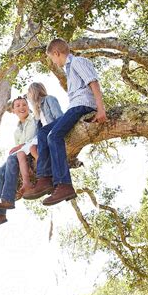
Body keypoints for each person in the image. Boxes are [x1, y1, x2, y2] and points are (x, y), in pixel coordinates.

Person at [23, 38, 107, 206]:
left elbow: (93, 83)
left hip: (83, 106)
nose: (53, 62)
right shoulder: (69, 70)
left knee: (54, 136)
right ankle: (45, 178)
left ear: (57, 53)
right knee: (43, 132)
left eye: (52, 58)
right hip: (74, 107)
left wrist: (101, 109)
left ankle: (64, 185)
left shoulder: (77, 62)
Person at [0, 96, 37, 227]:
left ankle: (8, 198)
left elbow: (31, 140)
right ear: (13, 110)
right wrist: (17, 148)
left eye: (24, 104)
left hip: (32, 151)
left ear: (28, 107)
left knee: (11, 159)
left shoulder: (34, 119)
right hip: (20, 155)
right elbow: (18, 147)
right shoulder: (17, 130)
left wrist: (18, 147)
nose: (21, 107)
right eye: (17, 106)